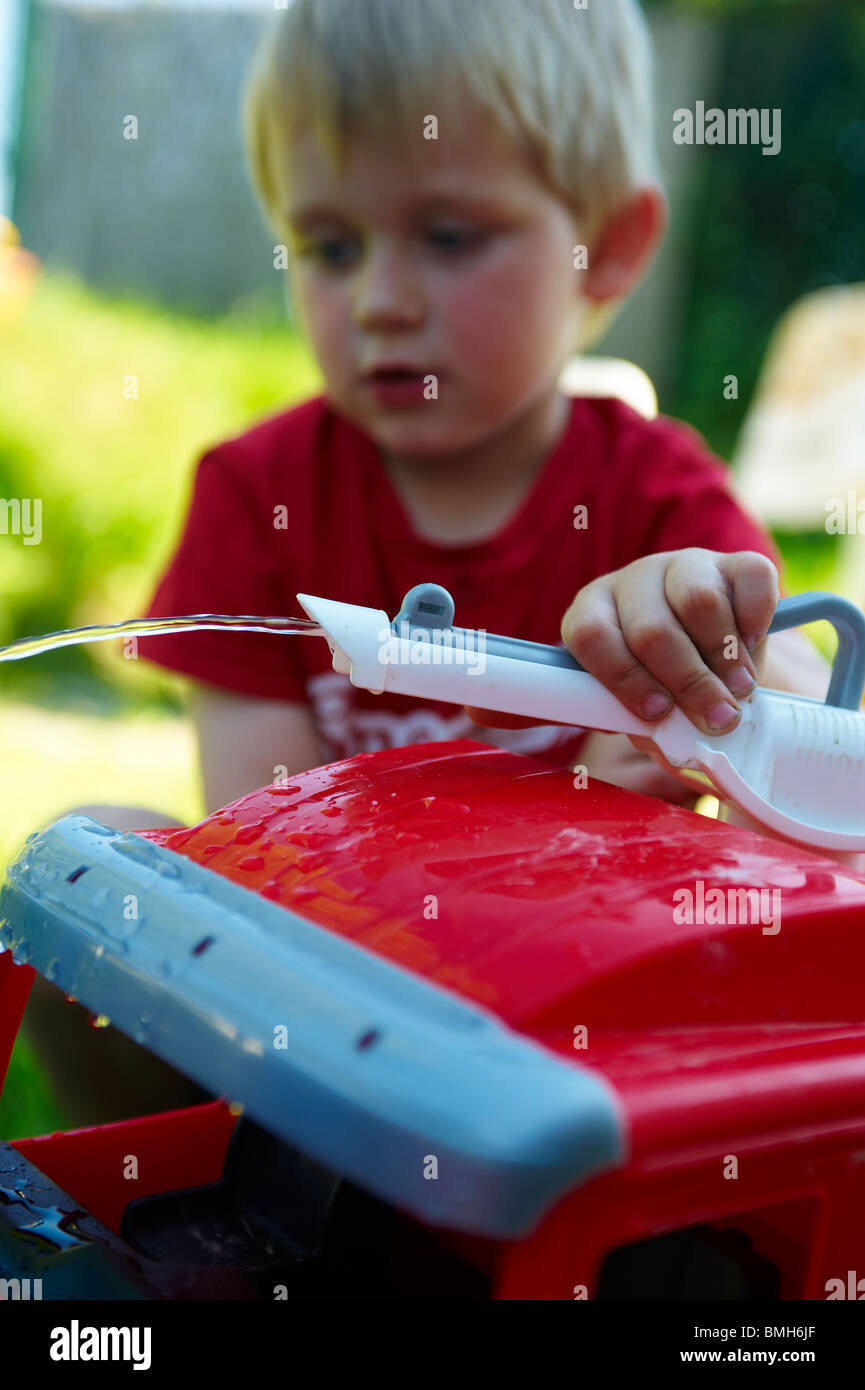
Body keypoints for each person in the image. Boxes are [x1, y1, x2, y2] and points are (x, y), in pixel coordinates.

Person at [24, 0, 831, 1126]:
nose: (380, 302)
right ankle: (202, 1233)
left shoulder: (660, 503)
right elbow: (264, 839)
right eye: (329, 246)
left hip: (578, 1017)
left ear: (613, 243)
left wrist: (707, 681)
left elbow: (811, 786)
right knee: (104, 853)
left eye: (448, 237)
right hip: (322, 996)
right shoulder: (257, 494)